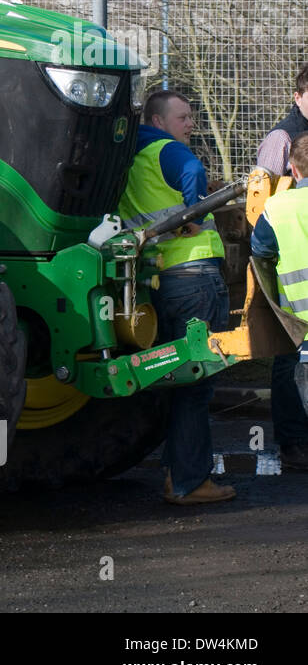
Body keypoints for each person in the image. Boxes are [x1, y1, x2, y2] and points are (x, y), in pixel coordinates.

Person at [118, 89, 235, 504]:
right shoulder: (169, 151)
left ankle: (176, 475)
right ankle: (189, 482)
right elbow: (192, 171)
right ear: (157, 120)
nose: (190, 125)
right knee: (197, 380)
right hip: (195, 276)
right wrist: (196, 214)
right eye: (183, 117)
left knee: (175, 377)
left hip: (160, 280)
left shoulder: (128, 160)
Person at [253, 67, 308, 471]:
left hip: (294, 289)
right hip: (292, 290)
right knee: (289, 366)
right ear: (298, 94)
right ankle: (293, 445)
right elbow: (261, 199)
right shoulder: (283, 138)